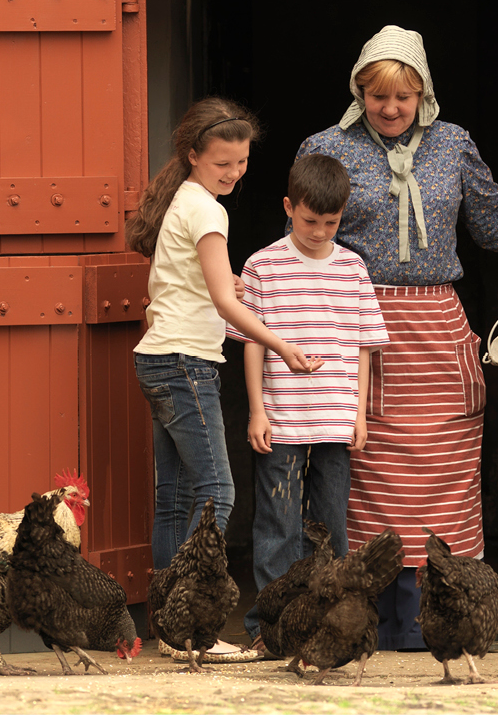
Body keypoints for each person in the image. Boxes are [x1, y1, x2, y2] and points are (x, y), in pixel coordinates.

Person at [298, 25, 498, 651]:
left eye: (403, 96)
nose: (391, 109)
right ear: (359, 90)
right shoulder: (327, 148)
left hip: (436, 329)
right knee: (365, 464)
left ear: (423, 92)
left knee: (444, 470)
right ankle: (367, 616)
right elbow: (302, 241)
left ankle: (434, 614)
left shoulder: (453, 145)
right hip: (361, 326)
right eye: (377, 96)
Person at [127, 97, 321, 656]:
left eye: (241, 162)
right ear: (193, 156)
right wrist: (282, 344)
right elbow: (221, 300)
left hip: (160, 358)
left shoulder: (184, 200)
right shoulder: (209, 211)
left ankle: (170, 628)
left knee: (176, 497)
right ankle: (192, 624)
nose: (234, 172)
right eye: (223, 164)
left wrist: (234, 285)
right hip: (186, 363)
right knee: (218, 492)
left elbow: (192, 284)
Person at [228, 153, 390, 650]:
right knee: (277, 523)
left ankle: (328, 625)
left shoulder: (352, 267)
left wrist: (359, 413)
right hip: (282, 419)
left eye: (331, 222)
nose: (320, 231)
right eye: (308, 220)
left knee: (331, 524)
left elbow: (364, 345)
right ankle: (271, 628)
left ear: (343, 214)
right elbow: (251, 342)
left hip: (336, 419)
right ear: (288, 207)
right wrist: (258, 410)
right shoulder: (263, 265)